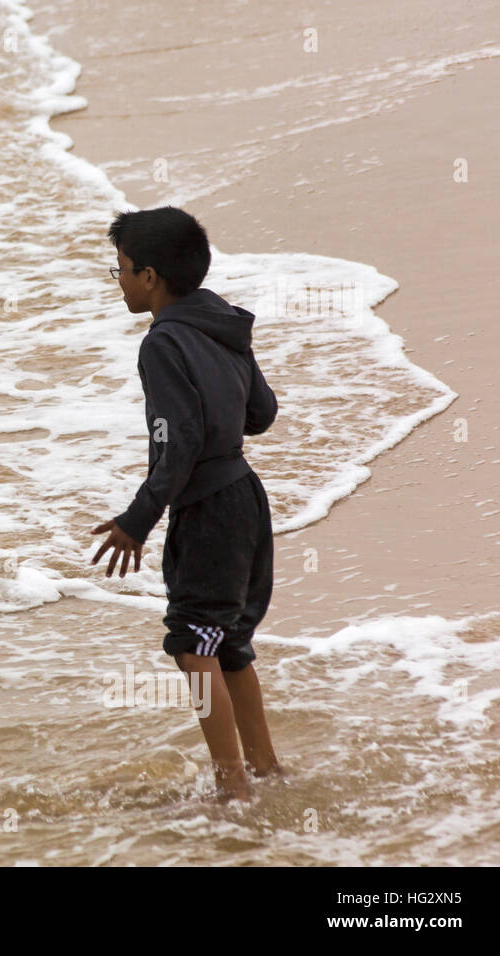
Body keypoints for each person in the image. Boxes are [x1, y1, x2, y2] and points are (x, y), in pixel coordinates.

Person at [90, 206, 283, 801]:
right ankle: (265, 769)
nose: (117, 279)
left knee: (191, 642)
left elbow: (179, 441)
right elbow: (262, 413)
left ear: (150, 277)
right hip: (247, 497)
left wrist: (137, 521)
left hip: (208, 510)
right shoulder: (224, 324)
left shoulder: (163, 342)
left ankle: (232, 787)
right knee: (226, 643)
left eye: (120, 269)